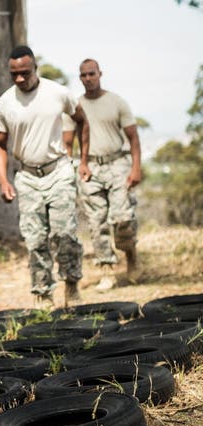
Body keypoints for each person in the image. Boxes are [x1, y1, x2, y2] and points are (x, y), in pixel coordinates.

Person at [0, 46, 90, 307]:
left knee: (64, 233)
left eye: (25, 73)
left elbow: (81, 120)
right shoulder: (4, 103)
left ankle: (72, 285)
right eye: (14, 74)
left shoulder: (58, 93)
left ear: (36, 68)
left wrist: (83, 160)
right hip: (27, 177)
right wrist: (3, 180)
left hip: (58, 170)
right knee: (35, 239)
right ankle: (43, 294)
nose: (19, 79)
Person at [64, 58, 142, 291]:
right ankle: (107, 270)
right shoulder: (75, 106)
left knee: (122, 219)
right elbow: (67, 142)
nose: (88, 78)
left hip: (117, 164)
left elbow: (133, 138)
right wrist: (74, 167)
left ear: (100, 74)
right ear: (80, 78)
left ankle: (131, 255)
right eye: (83, 75)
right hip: (90, 168)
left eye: (92, 74)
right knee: (97, 222)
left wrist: (136, 168)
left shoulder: (117, 102)